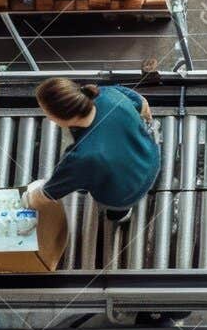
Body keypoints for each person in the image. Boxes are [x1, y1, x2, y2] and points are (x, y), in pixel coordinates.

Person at [24, 78, 160, 223]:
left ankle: (121, 214)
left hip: (126, 192)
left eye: (47, 114)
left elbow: (50, 192)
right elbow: (141, 102)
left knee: (115, 207)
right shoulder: (109, 94)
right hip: (150, 157)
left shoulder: (82, 156)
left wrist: (28, 200)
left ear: (61, 117)